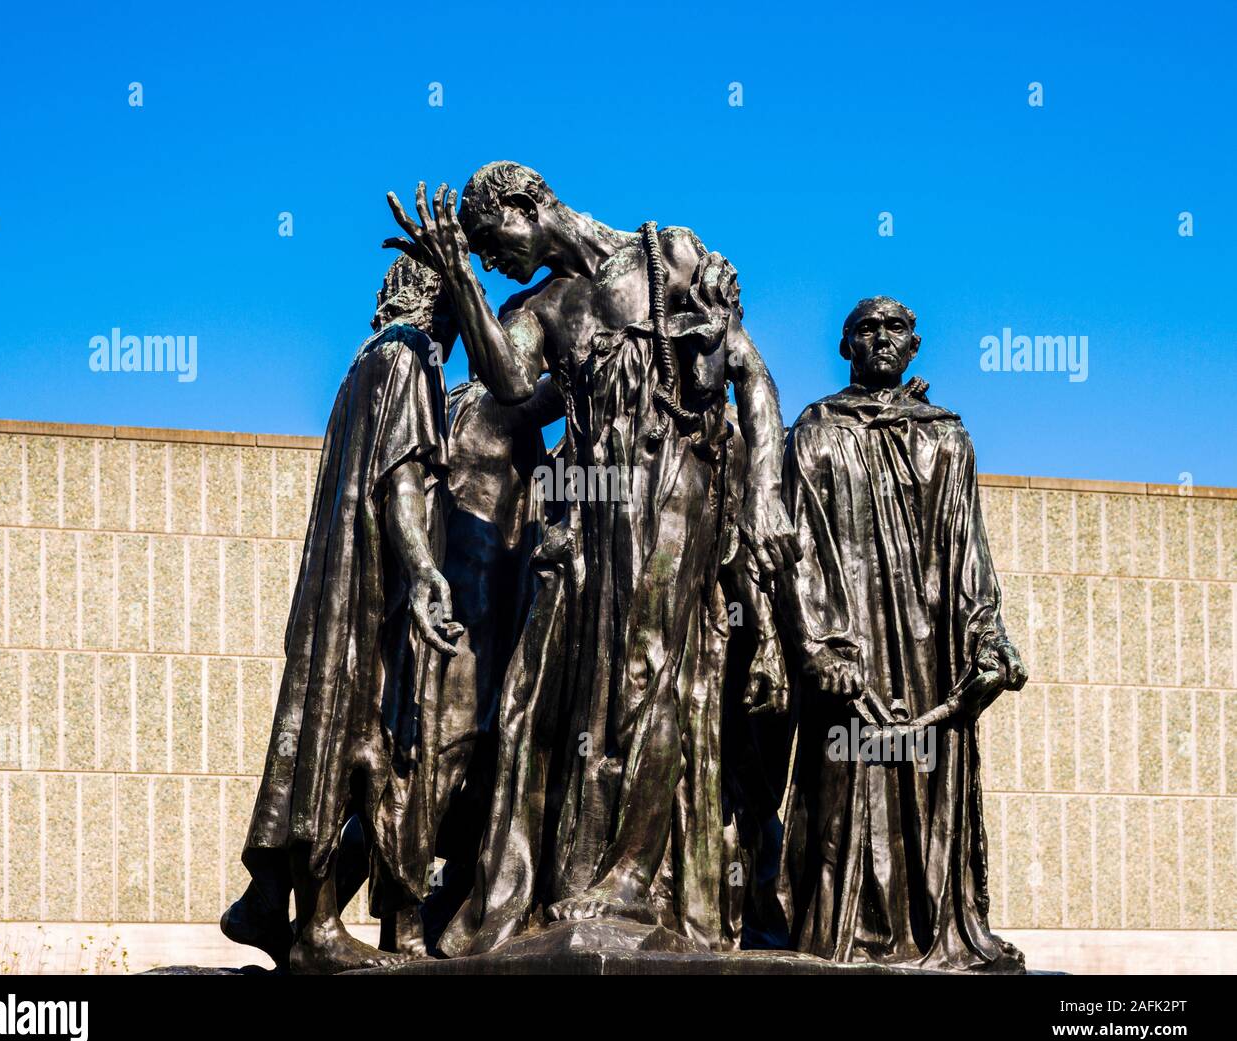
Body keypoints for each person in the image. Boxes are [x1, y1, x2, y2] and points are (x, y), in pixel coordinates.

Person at [386, 163, 801, 953]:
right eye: (475, 250)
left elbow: (750, 372)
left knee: (648, 674)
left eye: (488, 240)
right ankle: (535, 884)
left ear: (524, 203)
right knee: (534, 699)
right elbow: (506, 383)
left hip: (675, 487)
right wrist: (457, 277)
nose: (492, 257)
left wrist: (767, 489)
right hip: (587, 517)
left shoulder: (666, 252)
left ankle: (633, 882)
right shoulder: (539, 306)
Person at [220, 256, 462, 973]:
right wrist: (422, 569)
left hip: (335, 590)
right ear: (431, 305)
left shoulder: (360, 366)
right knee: (347, 743)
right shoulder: (409, 360)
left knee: (345, 745)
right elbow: (402, 484)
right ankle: (316, 931)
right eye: (454, 310)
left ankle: (270, 904)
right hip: (363, 591)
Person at [775, 296, 1028, 970]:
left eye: (895, 329)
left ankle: (938, 931)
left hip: (931, 658)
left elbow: (970, 548)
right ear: (844, 344)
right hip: (848, 656)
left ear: (914, 345)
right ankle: (838, 942)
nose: (881, 339)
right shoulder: (815, 431)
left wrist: (988, 636)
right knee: (842, 797)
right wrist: (820, 644)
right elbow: (795, 543)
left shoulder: (947, 435)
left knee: (926, 790)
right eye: (866, 329)